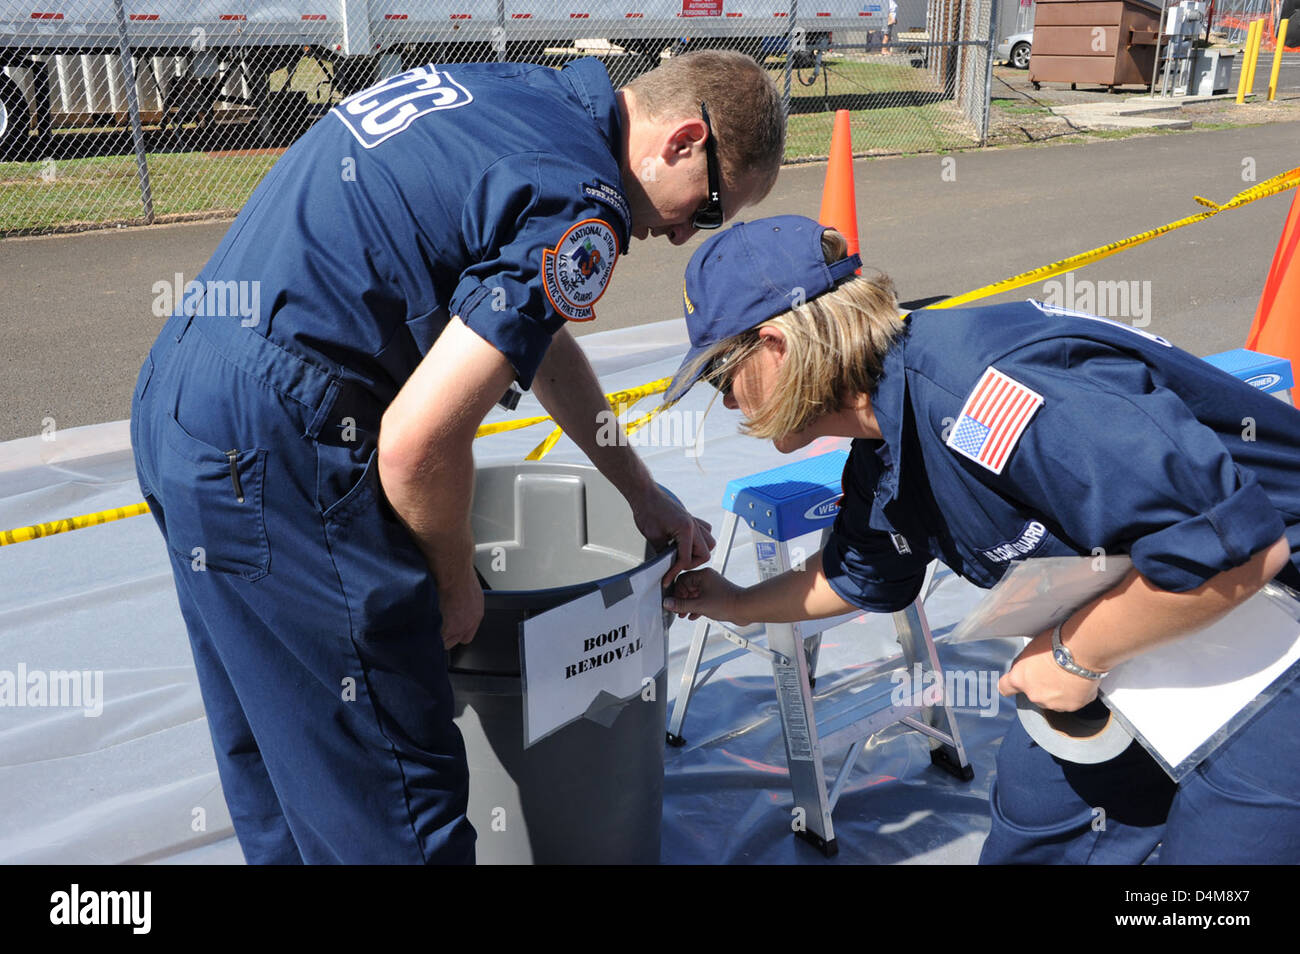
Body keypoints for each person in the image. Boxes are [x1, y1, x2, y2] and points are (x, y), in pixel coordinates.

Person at [130, 50, 786, 865]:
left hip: (180, 401)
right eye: (712, 208)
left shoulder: (517, 94)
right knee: (395, 798)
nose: (685, 232)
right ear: (685, 140)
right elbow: (415, 445)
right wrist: (452, 580)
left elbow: (528, 339)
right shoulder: (585, 202)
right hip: (281, 447)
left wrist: (638, 492)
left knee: (281, 748)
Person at [661, 214, 1300, 864]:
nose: (731, 406)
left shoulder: (987, 394)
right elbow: (855, 574)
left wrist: (1075, 656)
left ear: (777, 346)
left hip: (1272, 620)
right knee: (1032, 834)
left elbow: (1237, 546)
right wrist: (730, 600)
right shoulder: (884, 441)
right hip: (1146, 624)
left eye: (721, 380)